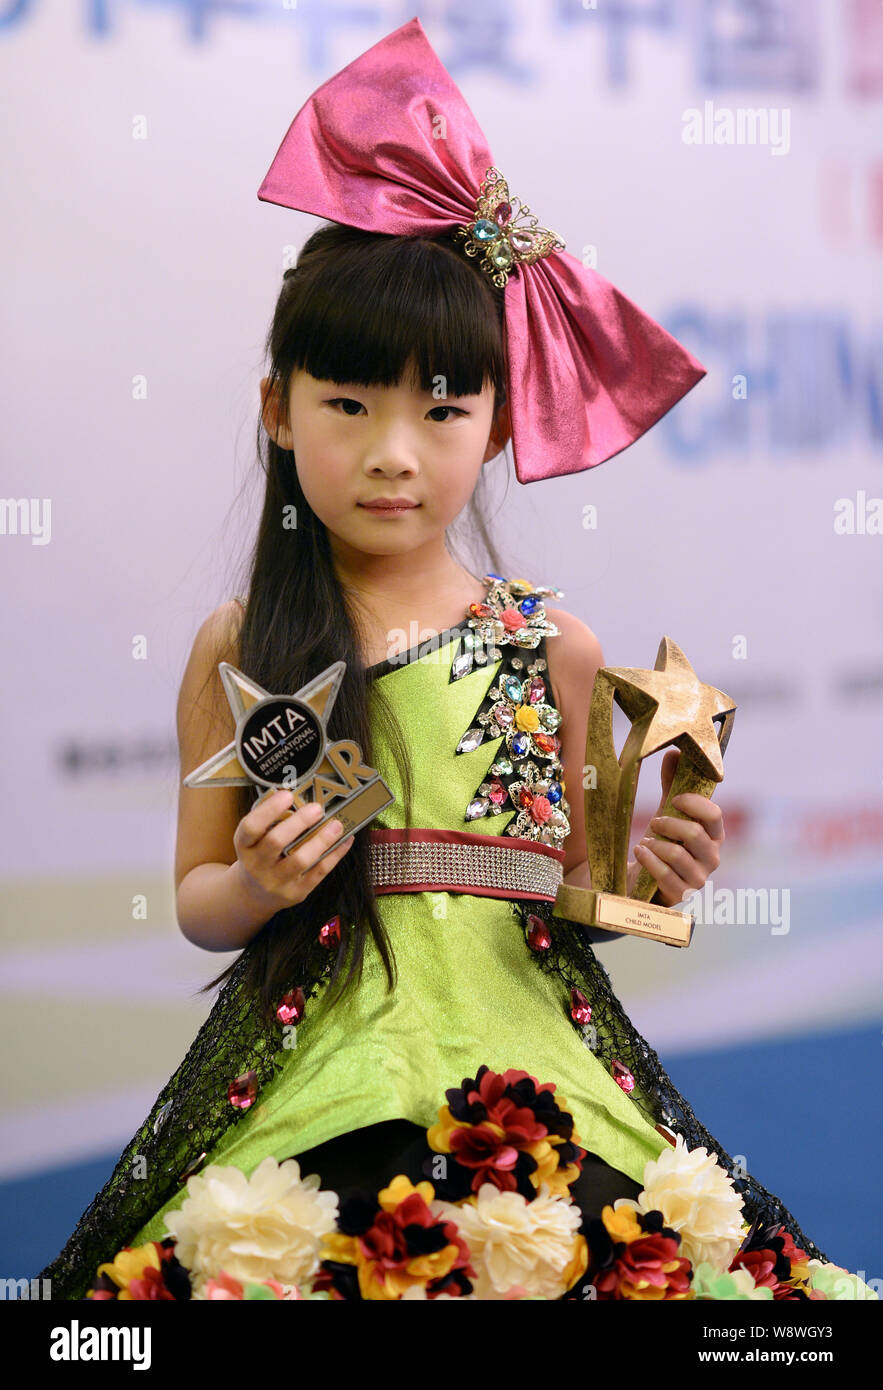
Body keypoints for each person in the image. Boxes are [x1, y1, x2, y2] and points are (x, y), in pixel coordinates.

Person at [40, 18, 826, 1301]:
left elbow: (571, 888)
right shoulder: (243, 644)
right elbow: (196, 898)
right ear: (277, 410)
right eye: (348, 405)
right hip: (326, 1062)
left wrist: (643, 872)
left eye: (442, 409)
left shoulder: (554, 648)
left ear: (498, 424)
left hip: (535, 1058)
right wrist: (255, 882)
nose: (392, 452)